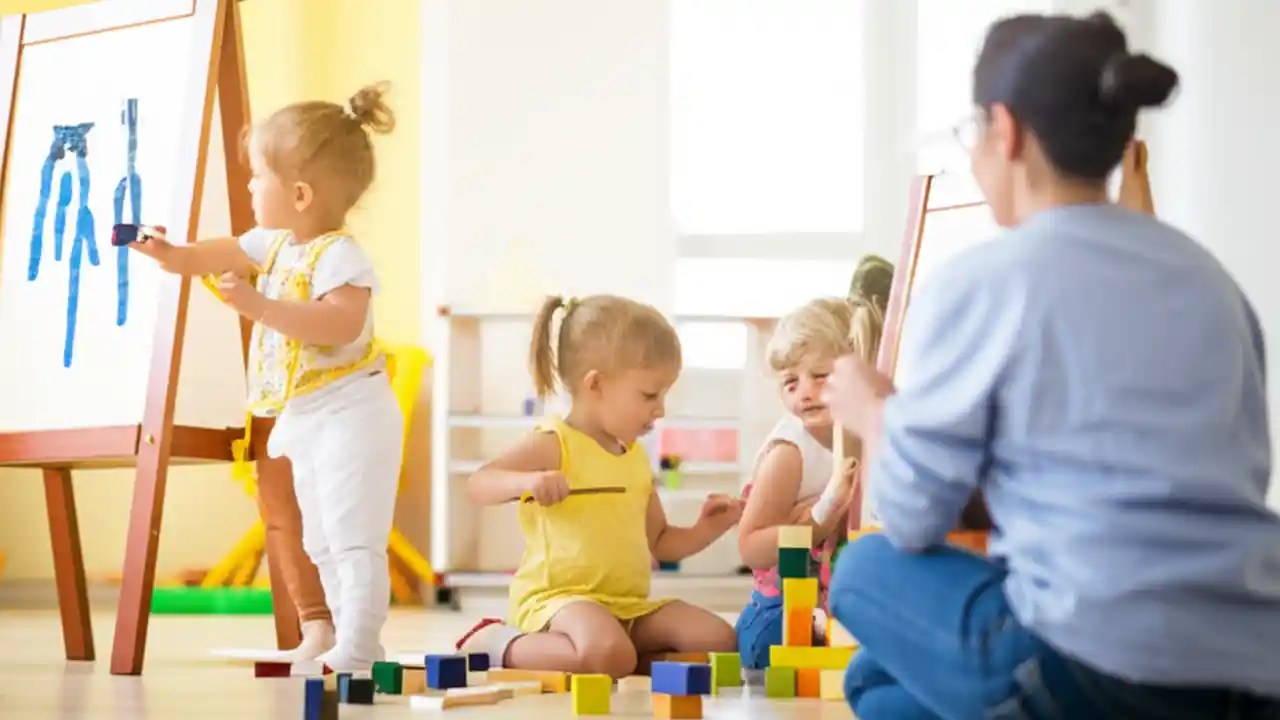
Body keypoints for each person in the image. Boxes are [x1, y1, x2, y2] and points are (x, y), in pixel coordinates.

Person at [823, 11, 1280, 720]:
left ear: (1004, 132)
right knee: (880, 688)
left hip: (1097, 663)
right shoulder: (1211, 282)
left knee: (862, 573)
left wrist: (878, 412)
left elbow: (910, 521)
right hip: (1251, 670)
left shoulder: (986, 280)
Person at [130, 84, 403, 672]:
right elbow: (209, 255)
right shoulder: (272, 245)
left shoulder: (339, 256)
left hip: (352, 414)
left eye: (257, 178)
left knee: (354, 536)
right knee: (321, 539)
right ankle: (336, 636)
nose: (249, 187)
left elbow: (338, 323)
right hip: (307, 418)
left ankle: (361, 641)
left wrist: (255, 306)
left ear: (299, 194)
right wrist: (168, 253)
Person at [457, 294, 743, 677]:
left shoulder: (635, 458)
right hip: (558, 602)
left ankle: (616, 658)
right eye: (649, 395)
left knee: (718, 640)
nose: (660, 409)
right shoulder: (554, 443)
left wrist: (709, 528)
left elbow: (659, 542)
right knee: (608, 653)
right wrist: (527, 481)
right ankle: (496, 642)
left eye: (664, 395)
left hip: (625, 606)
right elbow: (479, 484)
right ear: (597, 385)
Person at [734, 282, 887, 670]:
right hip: (779, 615)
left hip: (837, 604)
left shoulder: (866, 434)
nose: (805, 392)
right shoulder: (790, 453)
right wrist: (820, 518)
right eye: (791, 382)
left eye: (821, 375)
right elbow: (750, 545)